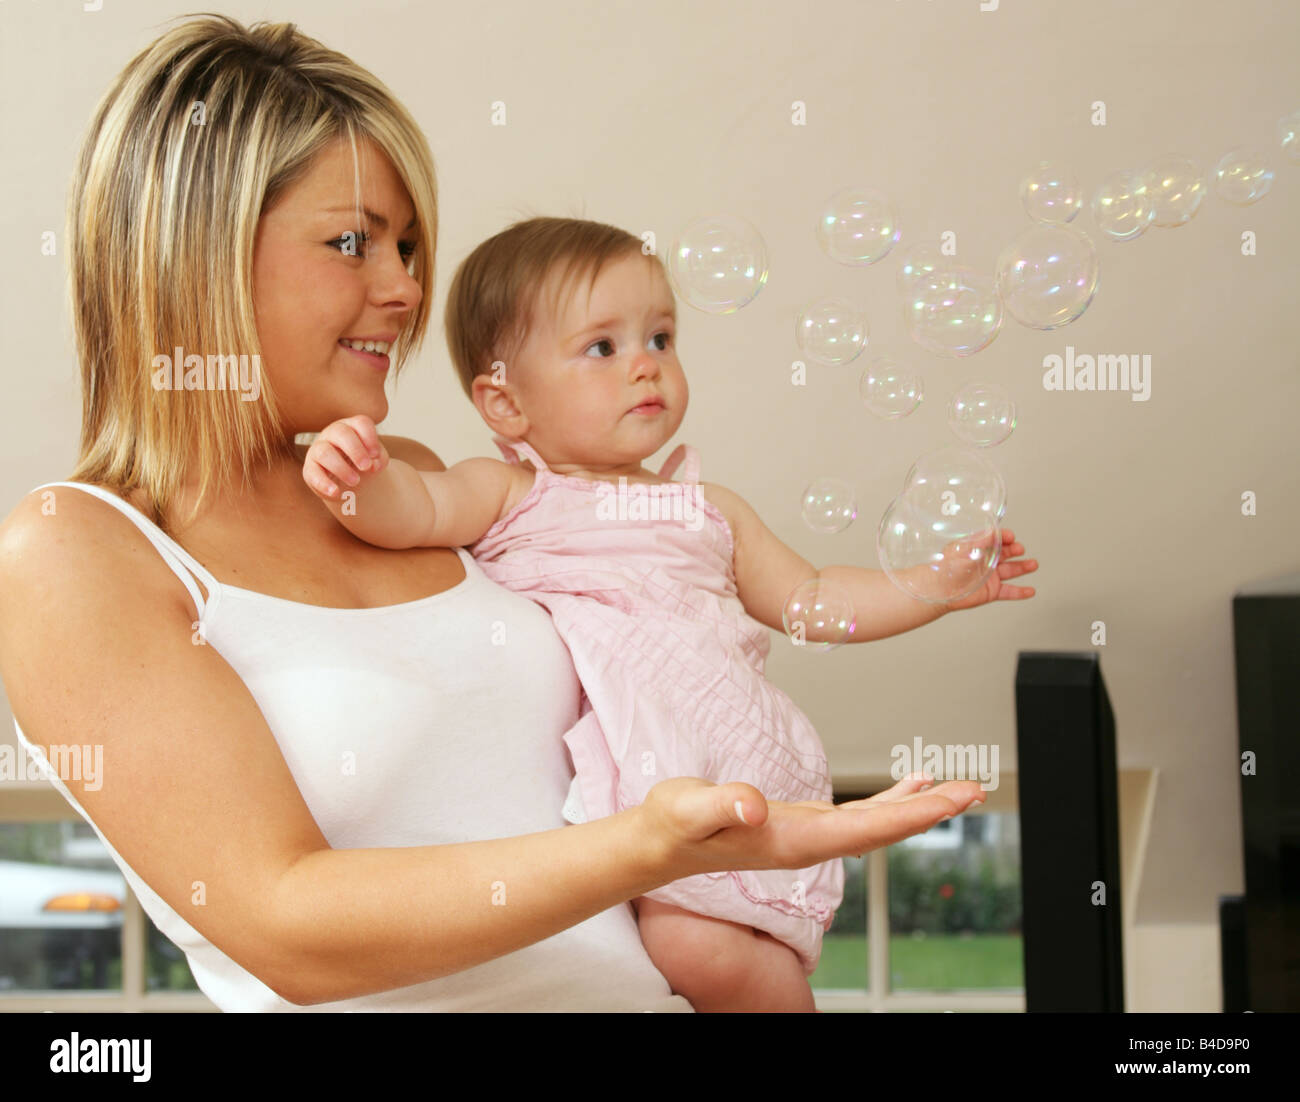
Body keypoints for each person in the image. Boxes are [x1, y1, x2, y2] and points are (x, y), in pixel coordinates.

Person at [0, 14, 996, 1013]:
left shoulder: (417, 485)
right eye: (351, 243)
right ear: (194, 254)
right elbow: (284, 924)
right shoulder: (75, 554)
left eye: (407, 243)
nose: (404, 289)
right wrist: (648, 845)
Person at [300, 218, 1039, 1011]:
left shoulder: (707, 509)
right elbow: (414, 510)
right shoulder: (509, 492)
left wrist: (933, 585)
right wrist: (357, 478)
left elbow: (816, 600)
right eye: (602, 348)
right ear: (505, 401)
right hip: (634, 781)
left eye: (660, 337)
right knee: (699, 945)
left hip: (730, 756)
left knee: (724, 944)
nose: (646, 366)